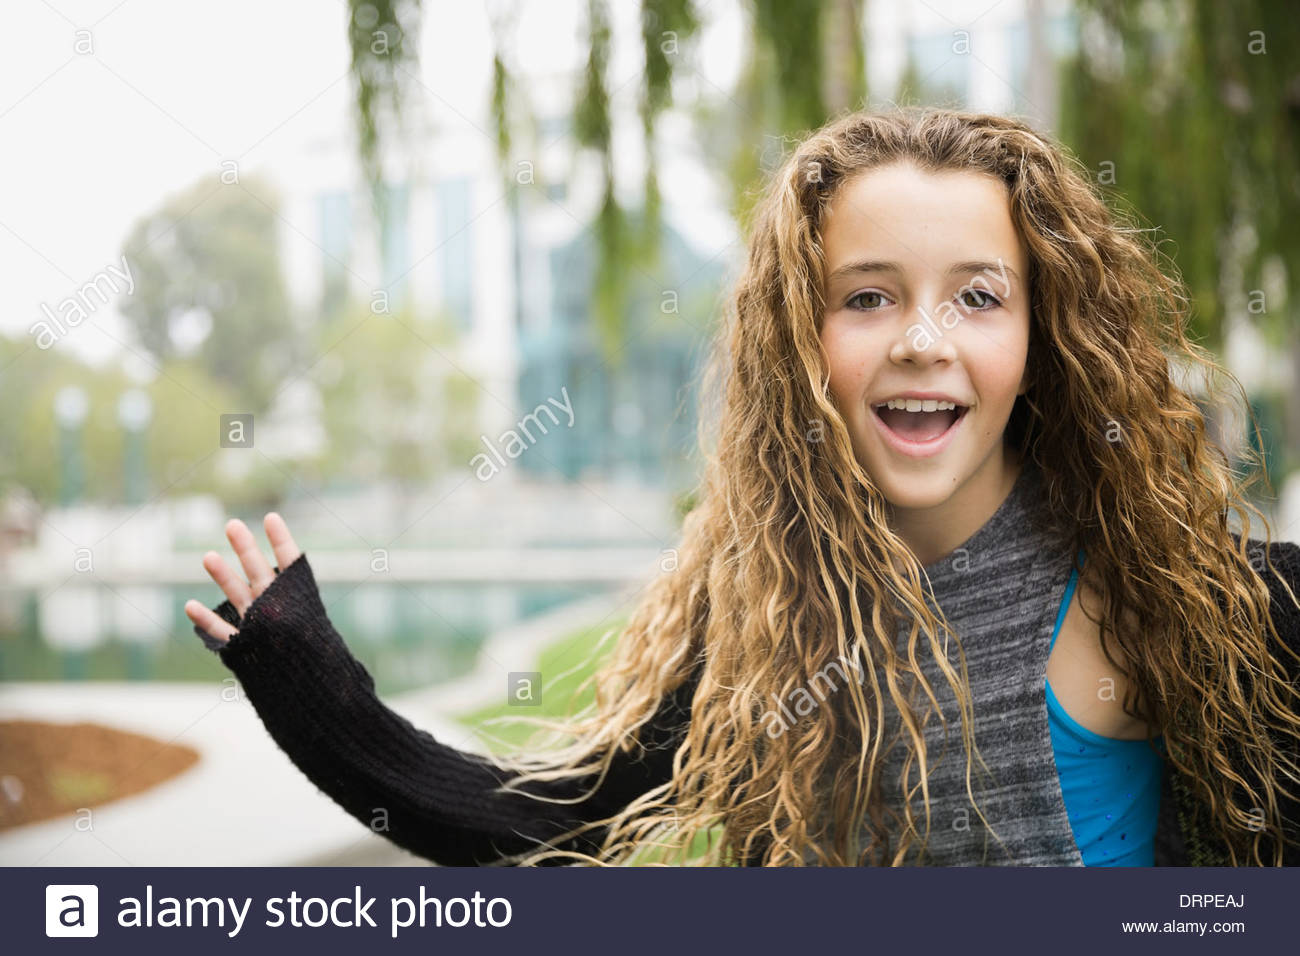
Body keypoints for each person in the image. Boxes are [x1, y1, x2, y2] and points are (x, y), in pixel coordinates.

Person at [185, 106, 1300, 867]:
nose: (920, 337)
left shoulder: (1174, 601)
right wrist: (301, 671)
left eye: (976, 297)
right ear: (800, 344)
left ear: (1040, 335)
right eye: (866, 297)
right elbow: (533, 822)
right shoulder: (770, 624)